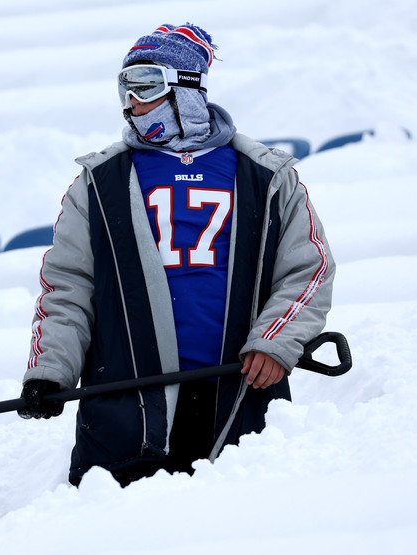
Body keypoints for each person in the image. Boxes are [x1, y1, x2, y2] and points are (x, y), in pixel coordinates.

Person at [18, 23, 335, 487]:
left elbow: (309, 268)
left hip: (238, 389)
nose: (132, 101)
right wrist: (50, 371)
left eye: (145, 84)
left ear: (186, 87)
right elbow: (67, 288)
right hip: (127, 401)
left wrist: (275, 340)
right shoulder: (98, 182)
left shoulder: (266, 175)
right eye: (125, 87)